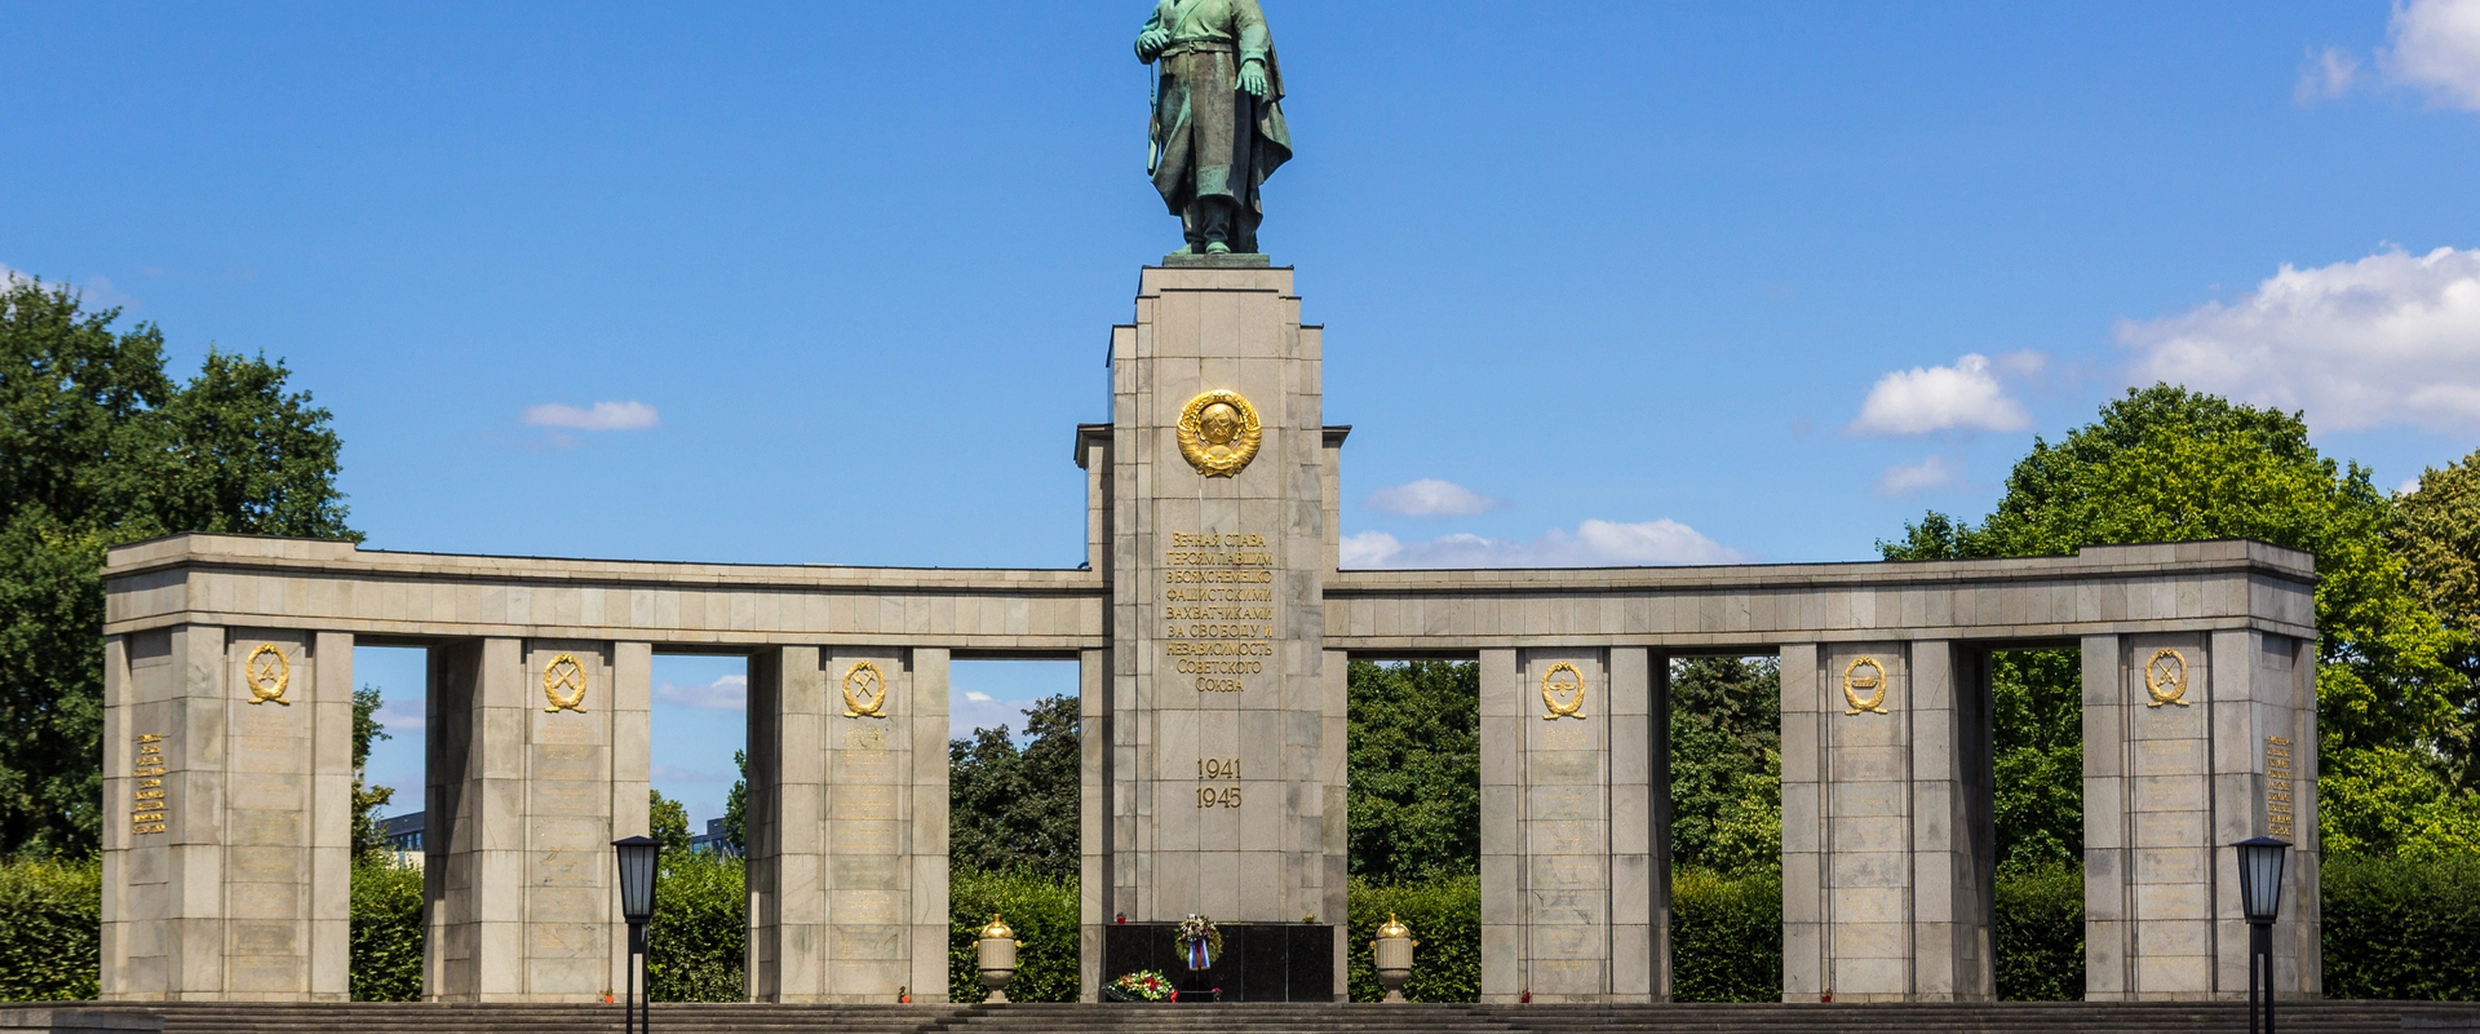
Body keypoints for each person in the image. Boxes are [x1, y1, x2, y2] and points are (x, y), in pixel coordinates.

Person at [1136, 0, 1292, 255]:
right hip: (1175, 85)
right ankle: (1194, 237)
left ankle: (1216, 235)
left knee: (1217, 162)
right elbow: (1146, 35)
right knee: (1183, 164)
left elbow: (1254, 25)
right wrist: (1145, 42)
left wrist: (1252, 59)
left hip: (1220, 82)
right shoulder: (1167, 4)